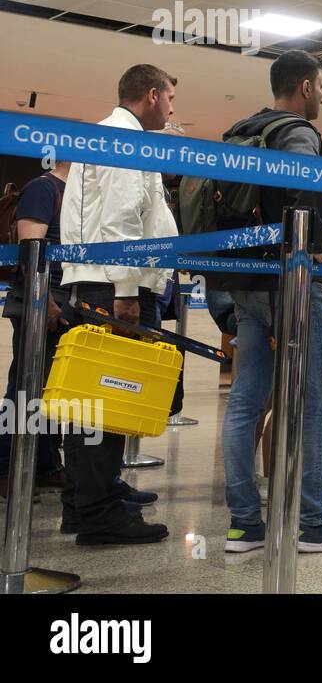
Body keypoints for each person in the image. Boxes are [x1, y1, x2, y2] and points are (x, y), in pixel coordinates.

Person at [218, 50, 322, 553]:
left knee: (246, 400)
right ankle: (312, 519)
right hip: (296, 279)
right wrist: (311, 244)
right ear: (305, 87)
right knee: (318, 396)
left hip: (249, 282)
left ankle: (245, 523)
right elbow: (305, 189)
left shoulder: (243, 130)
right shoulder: (299, 133)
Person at [58, 64, 178, 545]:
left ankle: (88, 497)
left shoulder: (104, 136)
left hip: (99, 283)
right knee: (106, 402)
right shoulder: (125, 141)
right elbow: (120, 220)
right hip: (113, 288)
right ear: (151, 95)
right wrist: (128, 291)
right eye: (170, 98)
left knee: (96, 400)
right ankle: (98, 513)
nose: (172, 108)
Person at [0, 159, 70, 493]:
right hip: (40, 302)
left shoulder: (73, 192)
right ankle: (3, 468)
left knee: (46, 390)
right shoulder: (43, 188)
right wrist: (48, 304)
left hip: (60, 300)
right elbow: (32, 250)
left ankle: (45, 464)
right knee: (24, 388)